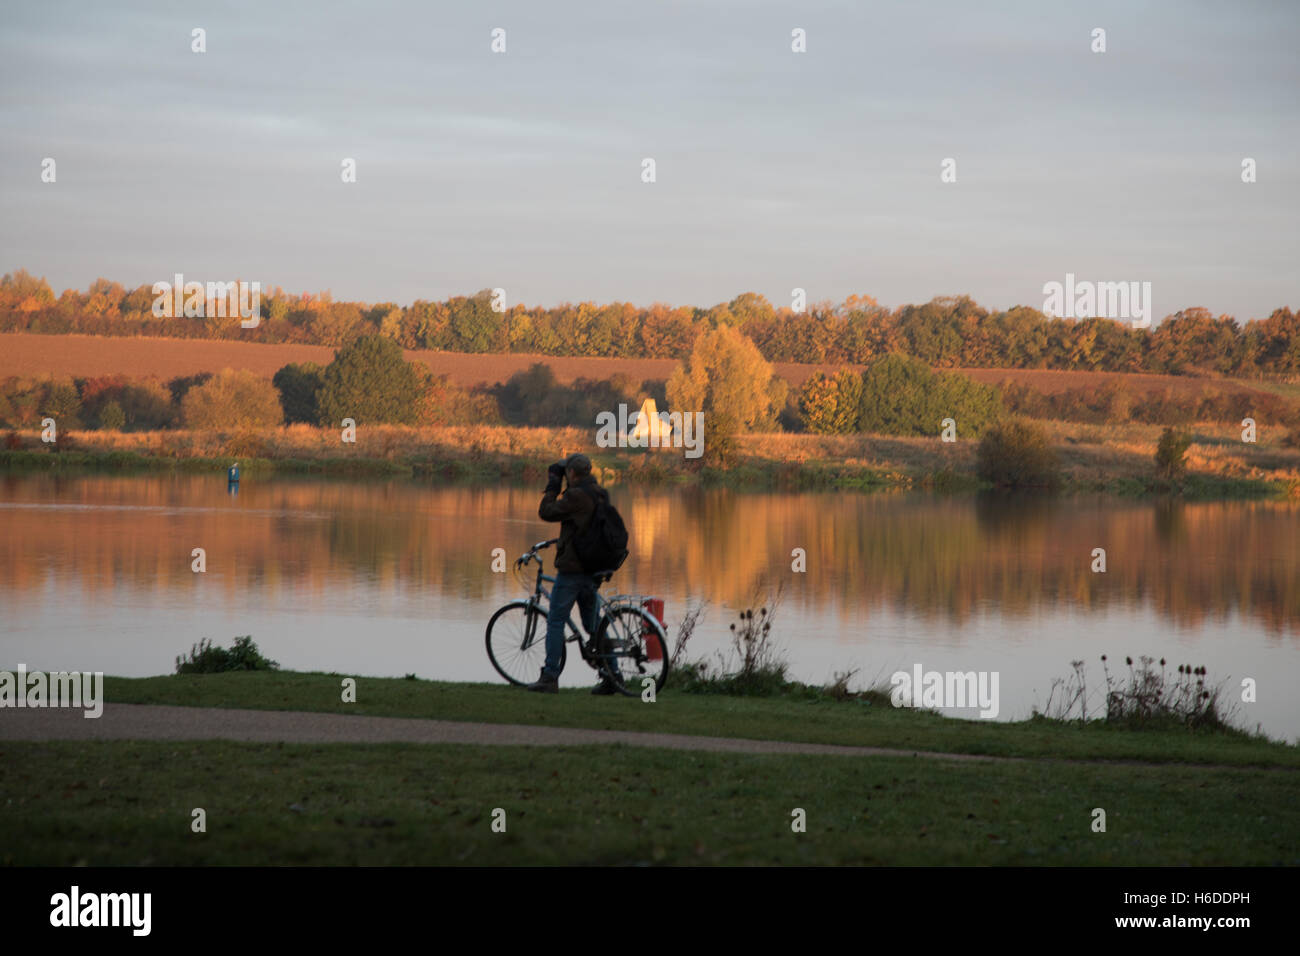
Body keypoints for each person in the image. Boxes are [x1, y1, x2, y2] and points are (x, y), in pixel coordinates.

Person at [526, 453, 618, 695]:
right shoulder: (597, 491)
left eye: (567, 472)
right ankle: (613, 676)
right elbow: (583, 527)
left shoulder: (576, 495)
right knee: (593, 625)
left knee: (555, 620)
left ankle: (549, 677)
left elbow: (546, 511)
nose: (565, 475)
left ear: (573, 474)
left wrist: (552, 486)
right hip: (592, 569)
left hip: (573, 571)